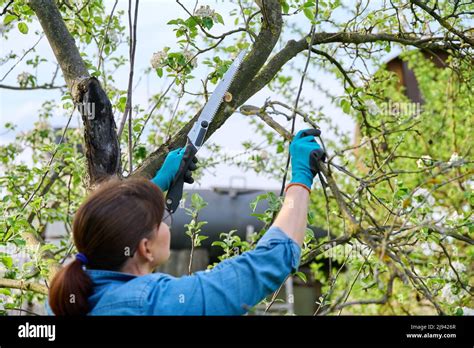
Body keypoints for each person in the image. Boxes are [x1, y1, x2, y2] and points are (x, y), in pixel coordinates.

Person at [48, 129, 324, 315]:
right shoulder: (154, 302)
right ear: (145, 248)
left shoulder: (68, 298)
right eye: (161, 220)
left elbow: (101, 232)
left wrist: (150, 191)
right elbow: (268, 262)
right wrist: (301, 178)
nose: (167, 221)